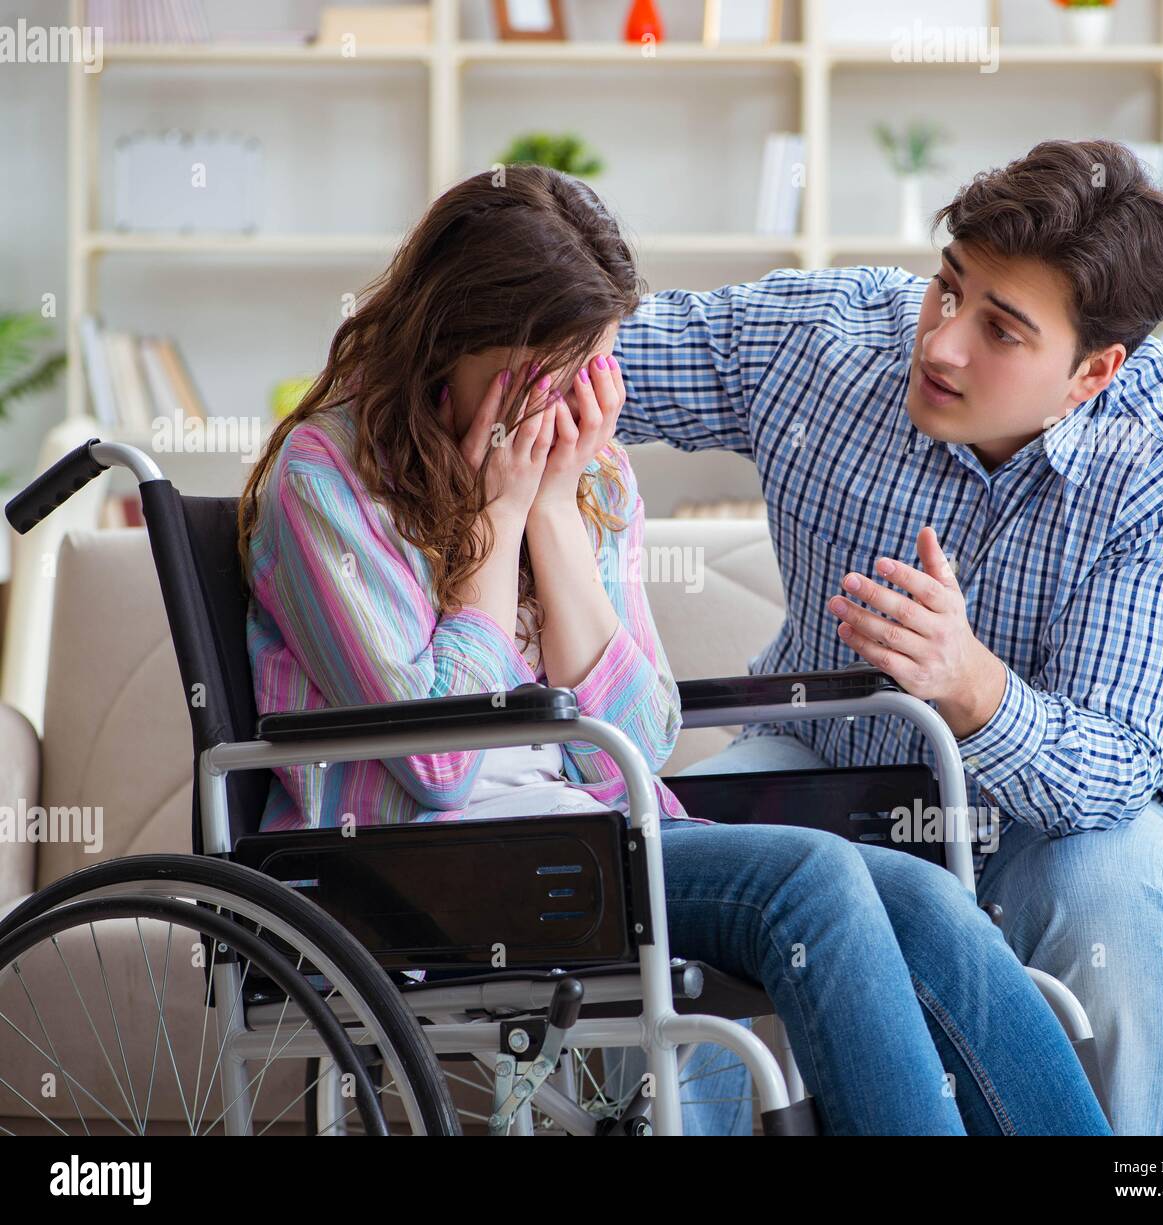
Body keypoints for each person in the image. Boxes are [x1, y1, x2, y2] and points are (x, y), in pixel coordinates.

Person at [236, 164, 1111, 1136]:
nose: (569, 409)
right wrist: (497, 520)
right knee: (812, 879)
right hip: (412, 866)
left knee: (915, 889)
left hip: (586, 837)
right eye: (543, 377)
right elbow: (438, 768)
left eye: (591, 373)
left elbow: (638, 739)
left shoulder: (587, 467)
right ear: (452, 344)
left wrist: (558, 516)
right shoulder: (325, 481)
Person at [610, 139, 1163, 1135]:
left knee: (1114, 901)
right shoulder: (824, 340)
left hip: (1056, 816)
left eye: (1001, 329)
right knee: (664, 872)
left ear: (1093, 370)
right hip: (821, 756)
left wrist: (969, 686)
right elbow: (576, 357)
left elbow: (1113, 768)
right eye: (947, 289)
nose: (942, 343)